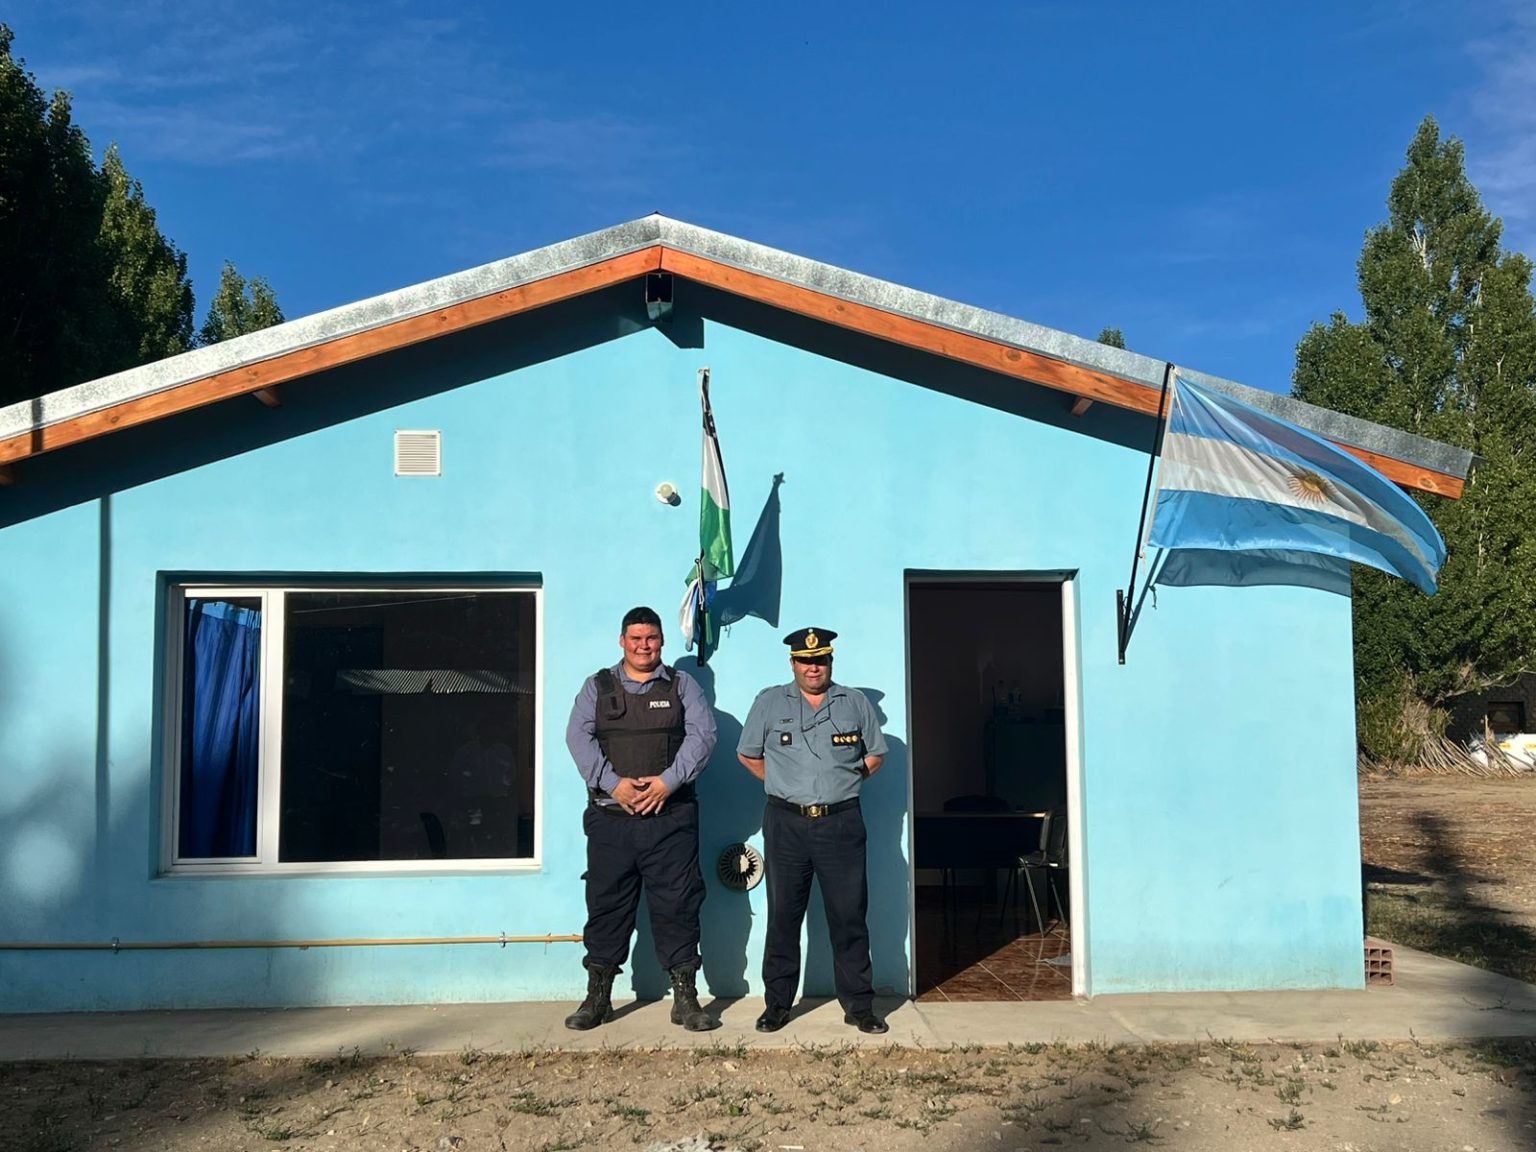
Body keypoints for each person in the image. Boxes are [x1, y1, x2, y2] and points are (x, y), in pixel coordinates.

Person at [563, 606, 719, 1032]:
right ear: (622, 641)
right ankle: (598, 998)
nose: (643, 646)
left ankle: (685, 999)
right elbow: (577, 737)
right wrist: (614, 785)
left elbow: (703, 737)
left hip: (670, 819)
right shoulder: (597, 687)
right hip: (612, 819)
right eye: (635, 638)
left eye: (650, 638)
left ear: (662, 641)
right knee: (606, 905)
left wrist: (667, 783)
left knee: (679, 904)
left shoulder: (682, 686)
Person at [737, 627, 889, 1034]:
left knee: (849, 915)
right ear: (793, 663)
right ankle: (778, 1005)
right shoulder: (770, 702)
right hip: (787, 824)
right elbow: (747, 754)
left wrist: (843, 782)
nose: (812, 667)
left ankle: (859, 1005)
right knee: (784, 916)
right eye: (805, 661)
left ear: (830, 662)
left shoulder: (853, 702)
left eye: (819, 660)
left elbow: (875, 754)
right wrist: (784, 785)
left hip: (841, 822)